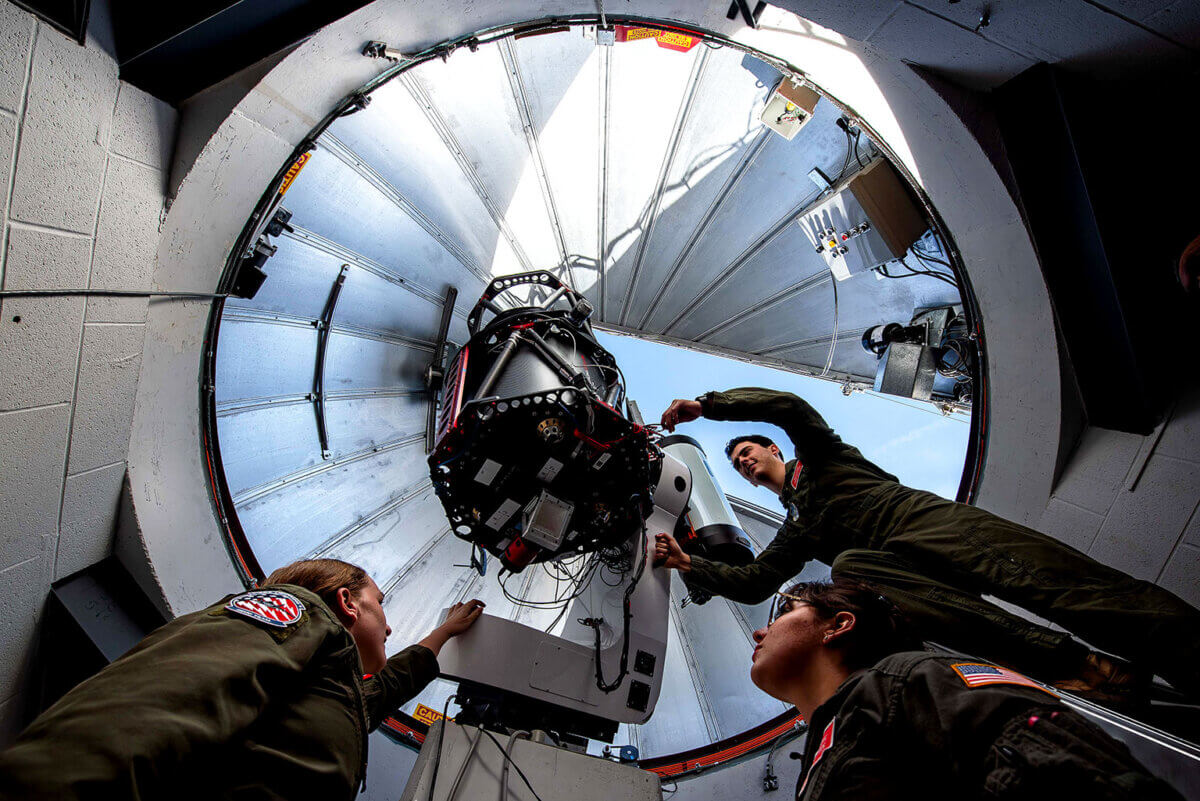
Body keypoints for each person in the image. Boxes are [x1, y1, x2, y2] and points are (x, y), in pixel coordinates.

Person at [654, 387, 1200, 700]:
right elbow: (757, 582)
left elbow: (791, 409)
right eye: (738, 466)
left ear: (773, 451)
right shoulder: (799, 526)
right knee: (851, 569)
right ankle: (1084, 667)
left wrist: (711, 406)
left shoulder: (822, 459)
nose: (744, 464)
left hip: (925, 523)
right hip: (905, 574)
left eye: (747, 453)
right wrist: (688, 564)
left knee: (1059, 586)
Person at [0, 558, 484, 800]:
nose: (390, 627)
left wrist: (443, 633)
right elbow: (143, 711)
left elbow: (384, 689)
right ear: (347, 603)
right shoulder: (297, 613)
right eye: (380, 604)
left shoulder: (335, 690)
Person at [750, 577, 1184, 800]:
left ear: (839, 625)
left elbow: (1066, 773)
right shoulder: (818, 757)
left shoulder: (909, 679)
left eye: (784, 611)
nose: (760, 632)